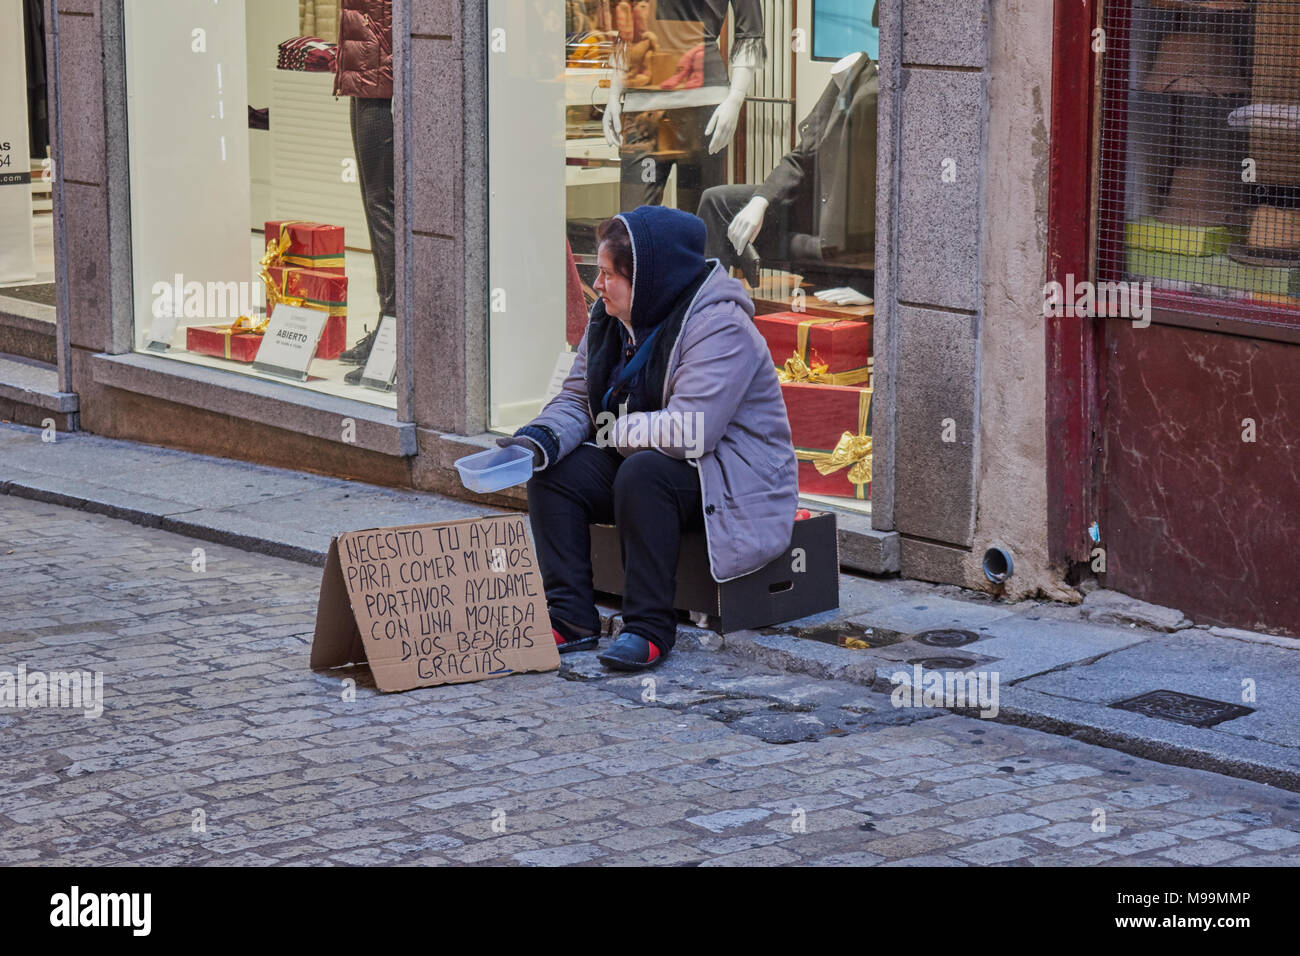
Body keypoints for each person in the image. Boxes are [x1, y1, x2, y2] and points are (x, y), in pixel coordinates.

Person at [498, 206, 798, 670]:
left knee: (643, 474)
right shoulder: (611, 317)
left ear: (650, 279)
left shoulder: (720, 324)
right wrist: (539, 439)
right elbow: (579, 396)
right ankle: (571, 618)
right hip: (643, 452)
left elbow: (693, 428)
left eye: (606, 274)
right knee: (556, 474)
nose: (596, 286)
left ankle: (648, 629)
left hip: (731, 476)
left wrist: (614, 430)